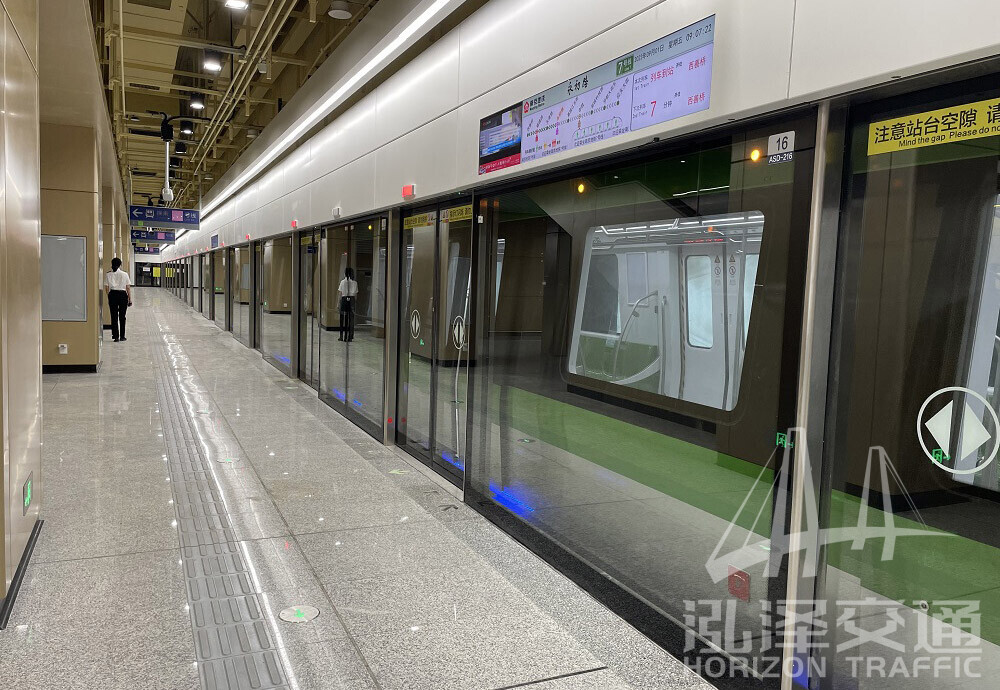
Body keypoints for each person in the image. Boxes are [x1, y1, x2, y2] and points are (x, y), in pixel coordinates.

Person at [105, 257, 132, 342]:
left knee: (114, 316)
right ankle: (122, 336)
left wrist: (109, 296)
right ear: (120, 264)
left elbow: (106, 287)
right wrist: (129, 299)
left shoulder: (108, 274)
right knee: (122, 316)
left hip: (112, 294)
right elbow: (128, 287)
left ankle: (115, 337)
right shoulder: (125, 274)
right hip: (123, 295)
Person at [338, 267, 358, 342]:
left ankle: (341, 336)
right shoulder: (355, 283)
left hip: (344, 299)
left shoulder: (342, 282)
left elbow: (340, 293)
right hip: (352, 300)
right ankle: (350, 336)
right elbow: (356, 295)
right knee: (351, 319)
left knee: (342, 318)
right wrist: (353, 303)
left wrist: (338, 303)